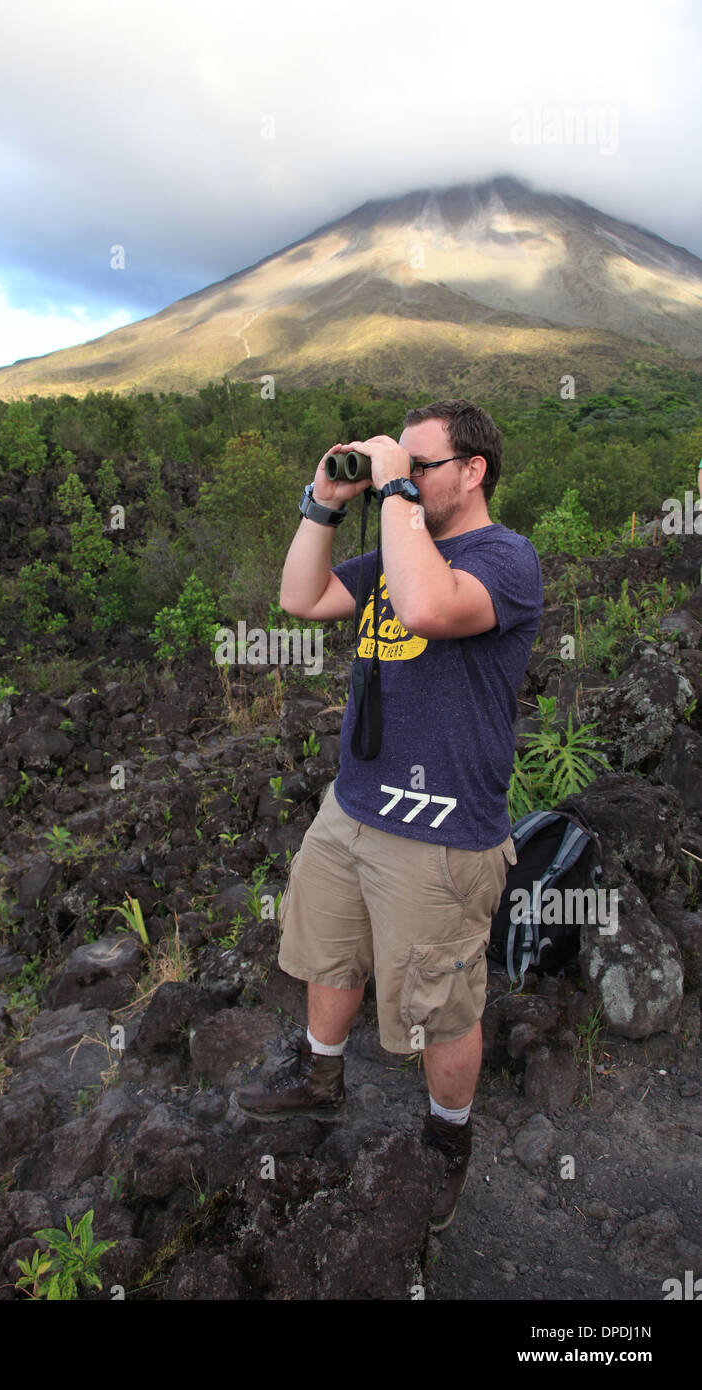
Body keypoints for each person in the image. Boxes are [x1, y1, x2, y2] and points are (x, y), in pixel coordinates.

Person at [232, 398, 544, 1232]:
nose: (400, 477)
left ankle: (447, 1143)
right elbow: (301, 599)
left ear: (473, 472)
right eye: (396, 464)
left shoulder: (505, 558)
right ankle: (322, 1077)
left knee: (442, 1003)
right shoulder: (393, 548)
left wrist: (396, 494)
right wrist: (323, 504)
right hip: (354, 808)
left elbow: (427, 610)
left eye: (422, 464)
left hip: (441, 834)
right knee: (329, 952)